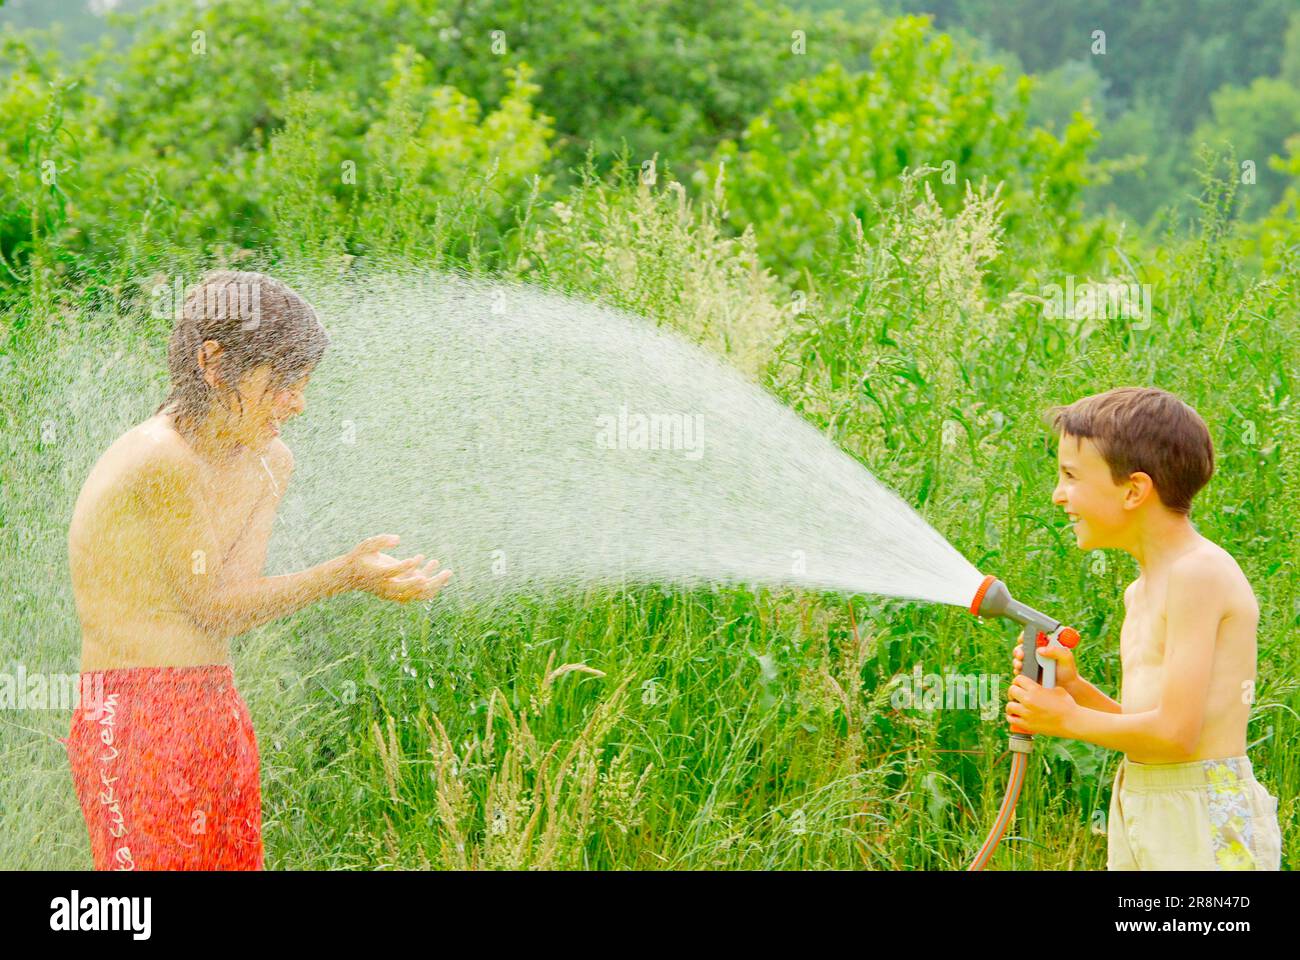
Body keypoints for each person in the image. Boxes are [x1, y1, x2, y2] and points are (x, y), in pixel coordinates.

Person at [62, 270, 451, 870]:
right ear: (215, 365)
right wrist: (344, 574)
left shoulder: (268, 462)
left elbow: (235, 600)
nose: (298, 403)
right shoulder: (159, 457)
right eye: (283, 384)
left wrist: (341, 564)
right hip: (134, 717)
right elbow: (210, 604)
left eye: (302, 384)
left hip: (216, 707)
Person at [1005, 386, 1281, 870]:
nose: (1057, 495)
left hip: (1203, 812)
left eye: (1070, 476)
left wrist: (1064, 720)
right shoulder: (1141, 590)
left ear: (1133, 490)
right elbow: (1150, 733)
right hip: (1144, 799)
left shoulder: (1198, 573)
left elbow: (1176, 736)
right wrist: (1075, 691)